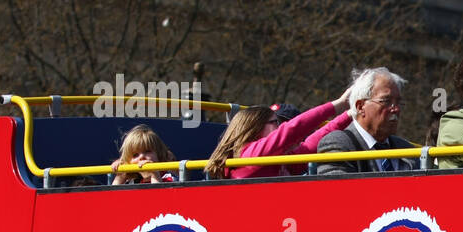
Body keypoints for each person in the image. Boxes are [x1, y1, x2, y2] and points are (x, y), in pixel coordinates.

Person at [205, 92, 351, 179]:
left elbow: (309, 145)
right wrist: (339, 104)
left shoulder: (275, 158)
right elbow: (291, 130)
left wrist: (351, 114)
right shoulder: (249, 154)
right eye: (275, 122)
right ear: (255, 128)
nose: (280, 126)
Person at [316, 67, 416, 175]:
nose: (396, 109)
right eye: (386, 101)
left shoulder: (405, 148)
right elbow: (337, 189)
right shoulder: (339, 144)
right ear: (360, 107)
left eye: (398, 103)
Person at [110, 124, 177, 184]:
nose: (141, 157)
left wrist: (154, 173)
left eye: (147, 151)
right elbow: (113, 195)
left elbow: (157, 195)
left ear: (159, 154)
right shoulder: (132, 181)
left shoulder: (168, 177)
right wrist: (121, 175)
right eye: (135, 155)